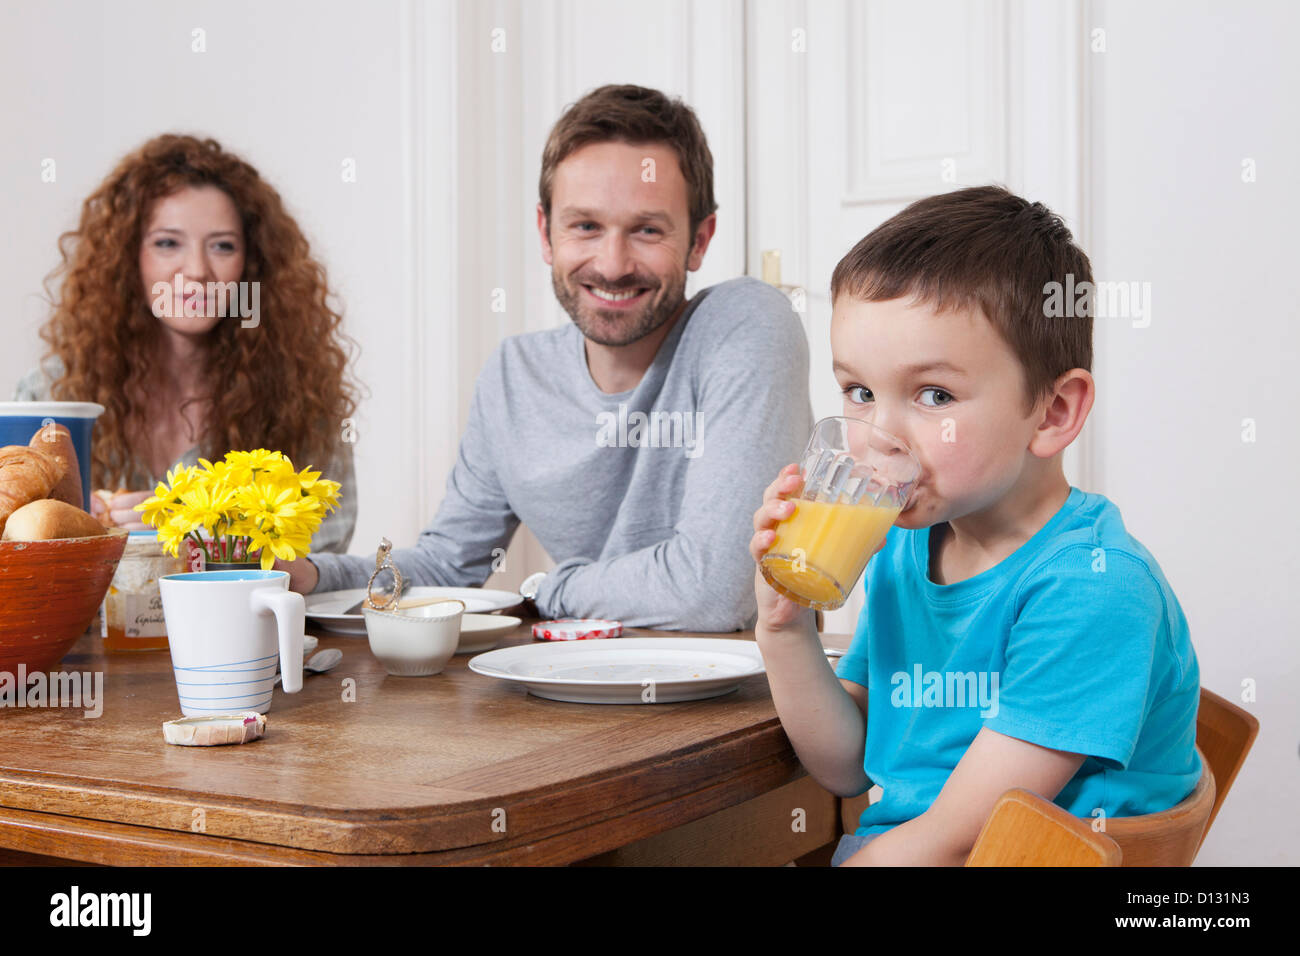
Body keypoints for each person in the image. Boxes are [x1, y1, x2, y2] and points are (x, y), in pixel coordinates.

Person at [749, 186, 1201, 865]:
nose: (878, 436)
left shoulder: (1092, 588)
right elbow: (848, 765)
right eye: (860, 392)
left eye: (934, 396)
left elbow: (952, 836)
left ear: (1052, 412)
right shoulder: (907, 548)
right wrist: (783, 629)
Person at [287, 84, 812, 631]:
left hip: (734, 701)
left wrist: (550, 588)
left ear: (700, 240)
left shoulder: (746, 323)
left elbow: (715, 593)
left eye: (647, 230)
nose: (612, 264)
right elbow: (446, 566)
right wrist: (313, 576)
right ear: (546, 233)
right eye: (585, 226)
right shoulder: (514, 377)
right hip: (571, 692)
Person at [15, 134, 359, 553]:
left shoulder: (300, 395)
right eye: (167, 243)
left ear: (250, 265)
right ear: (128, 259)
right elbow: (14, 544)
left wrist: (196, 532)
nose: (197, 270)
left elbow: (324, 543)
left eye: (222, 246)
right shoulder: (51, 396)